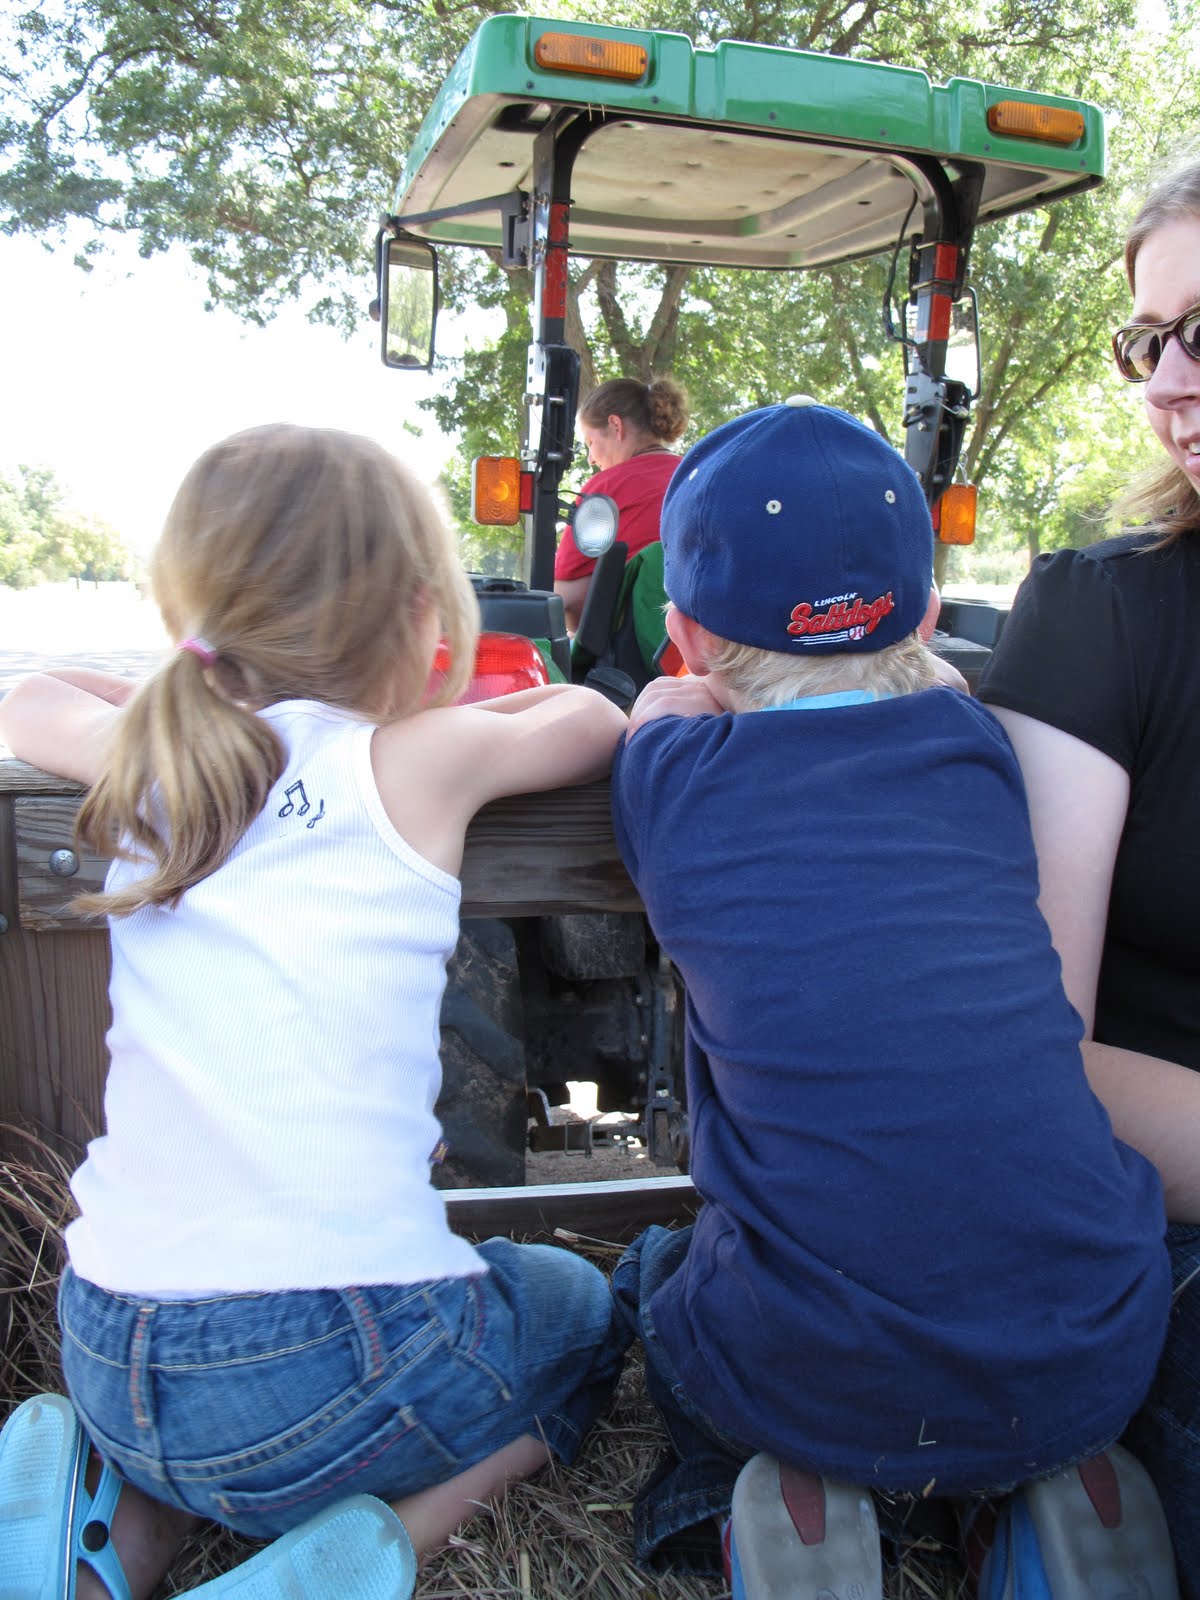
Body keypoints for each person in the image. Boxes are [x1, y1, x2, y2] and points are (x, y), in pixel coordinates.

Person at [0, 424, 630, 1600]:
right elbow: (591, 722)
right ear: (414, 611)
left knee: (199, 1437)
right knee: (578, 1312)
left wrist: (171, 688)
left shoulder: (155, 765)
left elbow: (33, 696)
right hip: (331, 1364)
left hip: (108, 1342)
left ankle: (109, 1563)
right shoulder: (409, 763)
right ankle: (363, 1551)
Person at [607, 400, 1177, 1595]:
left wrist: (669, 705)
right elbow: (935, 706)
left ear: (686, 635)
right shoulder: (974, 758)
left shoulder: (673, 779)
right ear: (926, 612)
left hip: (816, 1370)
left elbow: (658, 719)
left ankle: (766, 1495)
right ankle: (1049, 1488)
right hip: (1098, 1339)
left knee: (661, 1282)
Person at [977, 158, 1200, 1594]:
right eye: (1151, 339)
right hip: (1166, 1223)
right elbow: (1031, 1052)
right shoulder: (1099, 617)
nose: (1169, 380)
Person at [554, 375, 688, 632]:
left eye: (590, 443)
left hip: (630, 659)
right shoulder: (698, 475)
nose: (591, 459)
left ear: (616, 426)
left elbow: (565, 599)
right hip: (699, 654)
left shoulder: (605, 490)